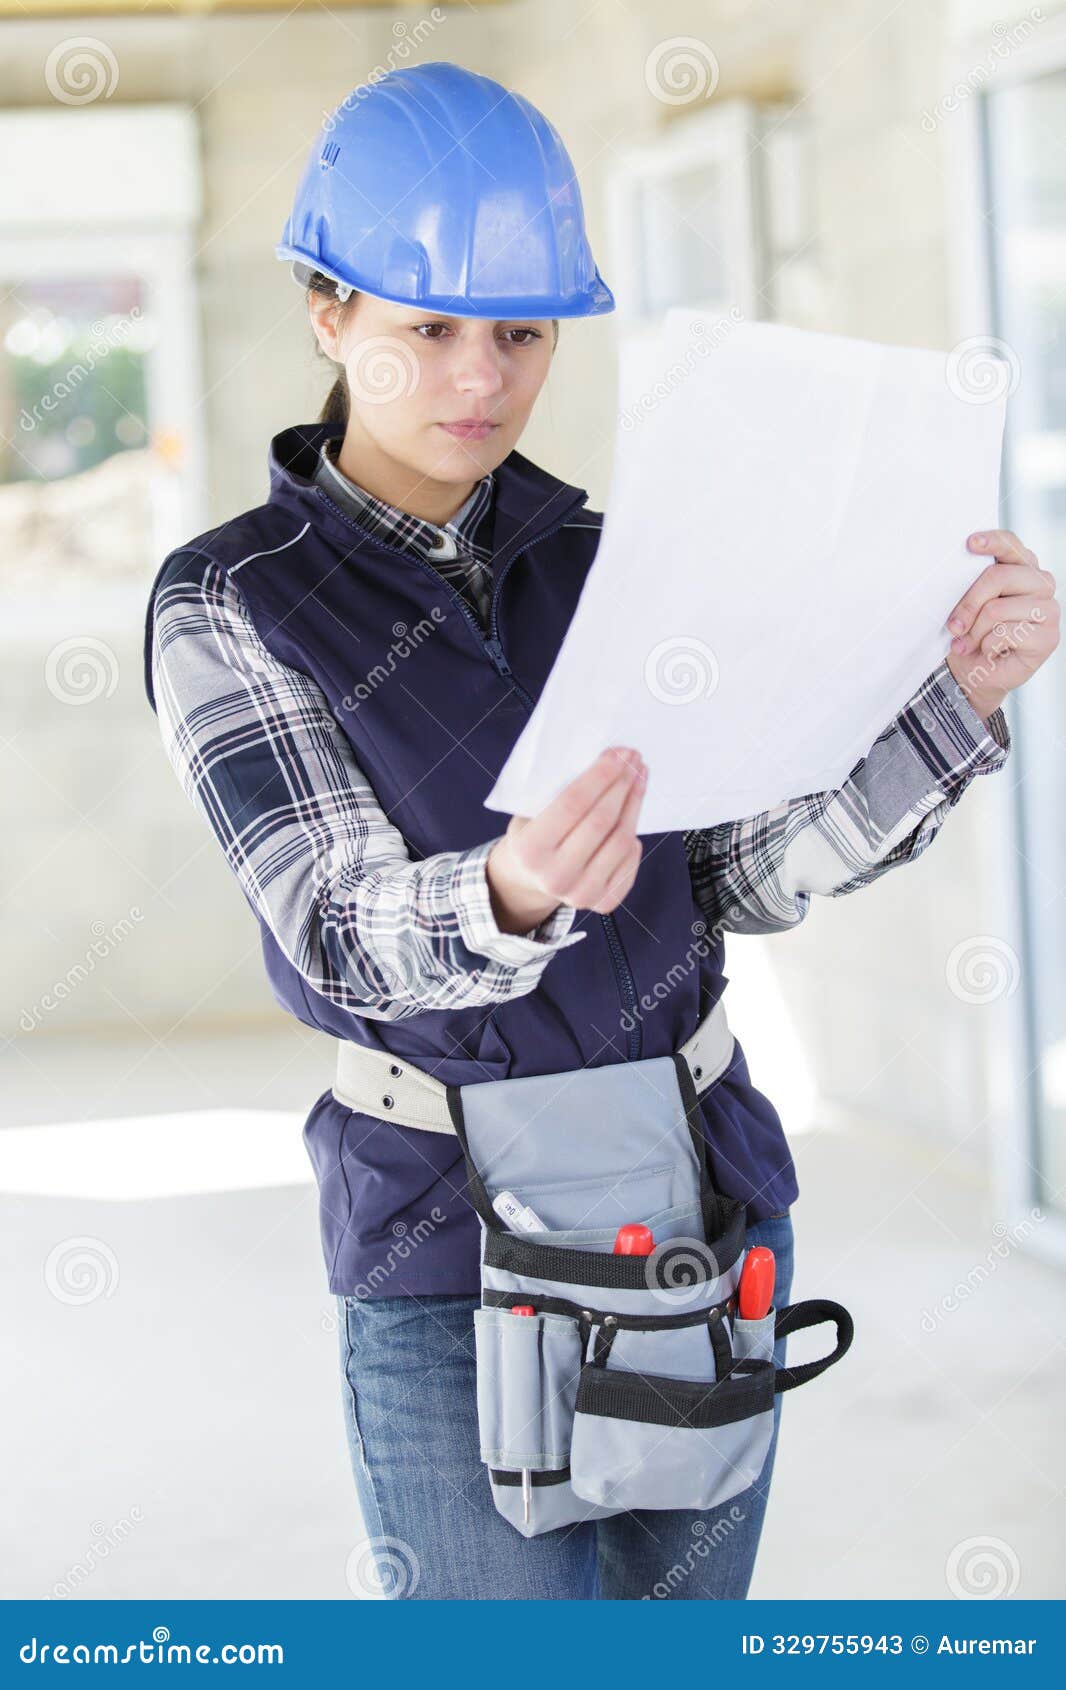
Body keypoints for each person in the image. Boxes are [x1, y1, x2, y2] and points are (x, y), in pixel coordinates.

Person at [143, 61, 1057, 1600]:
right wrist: (502, 896)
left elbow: (743, 873)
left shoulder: (605, 561)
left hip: (693, 1202)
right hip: (452, 1247)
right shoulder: (232, 599)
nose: (478, 377)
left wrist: (947, 707)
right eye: (426, 327)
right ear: (325, 311)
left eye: (518, 330)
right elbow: (337, 924)